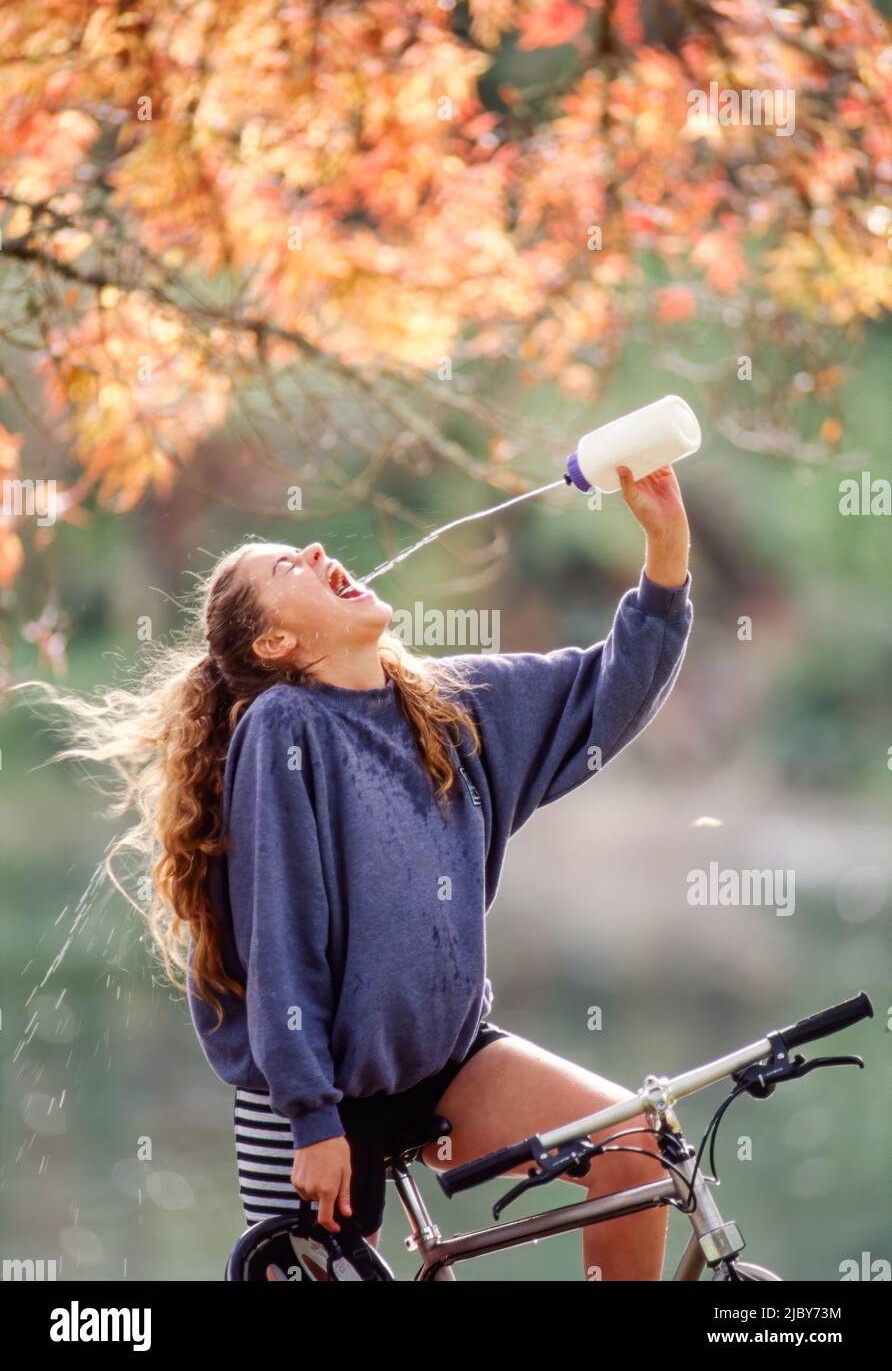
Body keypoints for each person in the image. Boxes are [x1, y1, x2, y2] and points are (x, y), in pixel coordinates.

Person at [18, 463, 692, 1280]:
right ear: (276, 645)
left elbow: (603, 693)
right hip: (307, 1097)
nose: (312, 548)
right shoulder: (283, 726)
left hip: (443, 1063)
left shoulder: (449, 709)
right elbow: (281, 935)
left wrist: (664, 552)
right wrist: (312, 1118)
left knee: (636, 1145)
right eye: (283, 568)